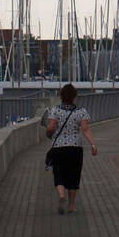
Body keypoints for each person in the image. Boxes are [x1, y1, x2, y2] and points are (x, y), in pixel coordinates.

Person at [46, 83, 97, 214]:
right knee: (74, 176)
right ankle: (71, 206)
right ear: (74, 97)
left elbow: (51, 128)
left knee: (59, 174)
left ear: (61, 96)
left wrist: (48, 134)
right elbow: (85, 129)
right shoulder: (81, 111)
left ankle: (61, 195)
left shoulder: (55, 110)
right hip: (75, 148)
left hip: (58, 147)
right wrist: (93, 144)